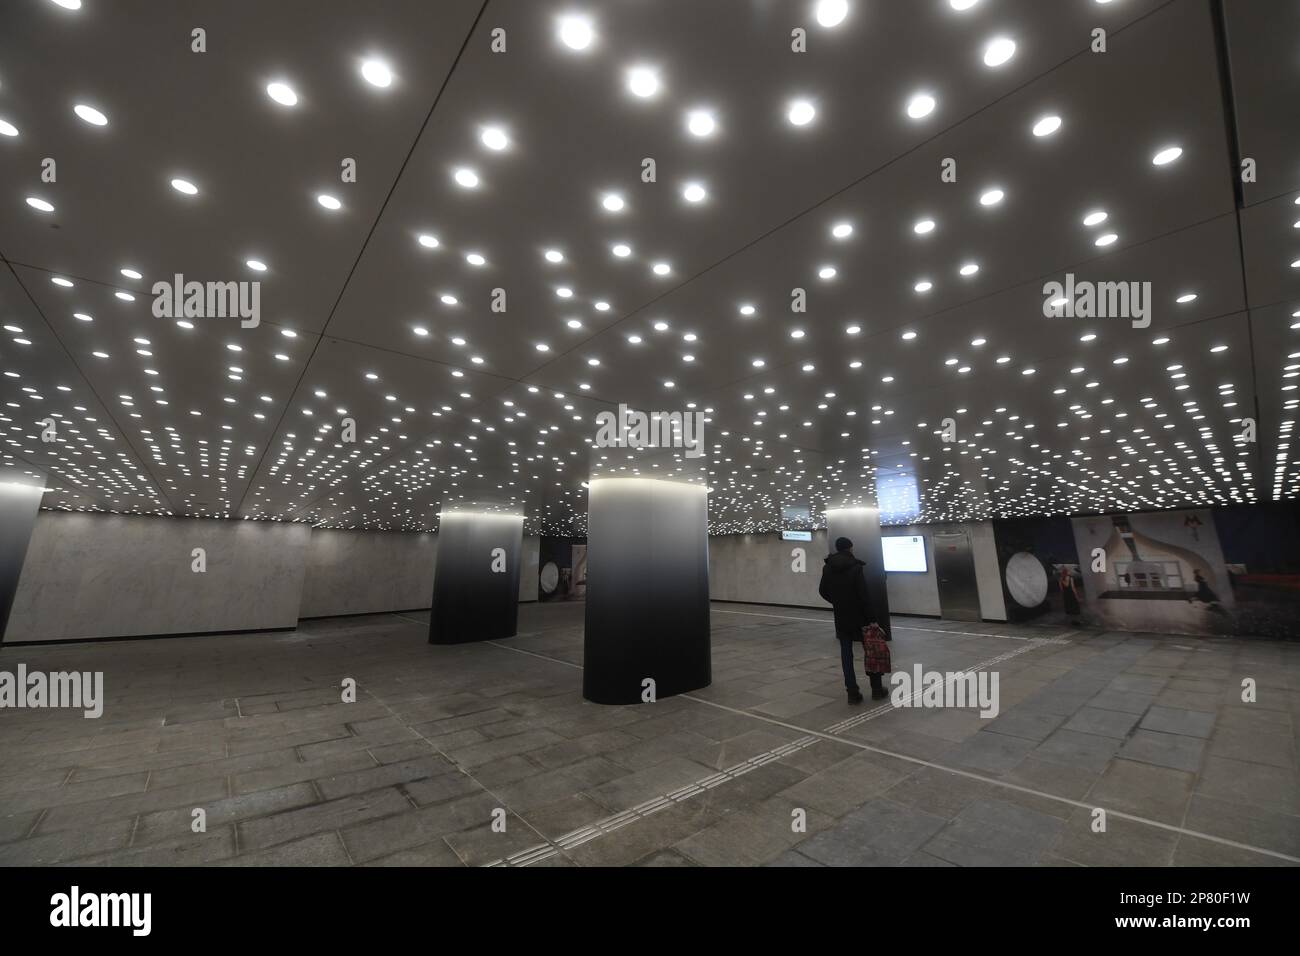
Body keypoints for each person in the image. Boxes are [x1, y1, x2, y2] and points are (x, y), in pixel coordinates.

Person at [818, 536, 886, 703]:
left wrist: (838, 602)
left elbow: (822, 591)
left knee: (846, 654)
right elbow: (864, 595)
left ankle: (852, 693)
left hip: (842, 616)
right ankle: (876, 688)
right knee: (871, 650)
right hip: (860, 617)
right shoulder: (855, 567)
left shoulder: (827, 567)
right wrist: (872, 619)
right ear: (850, 548)